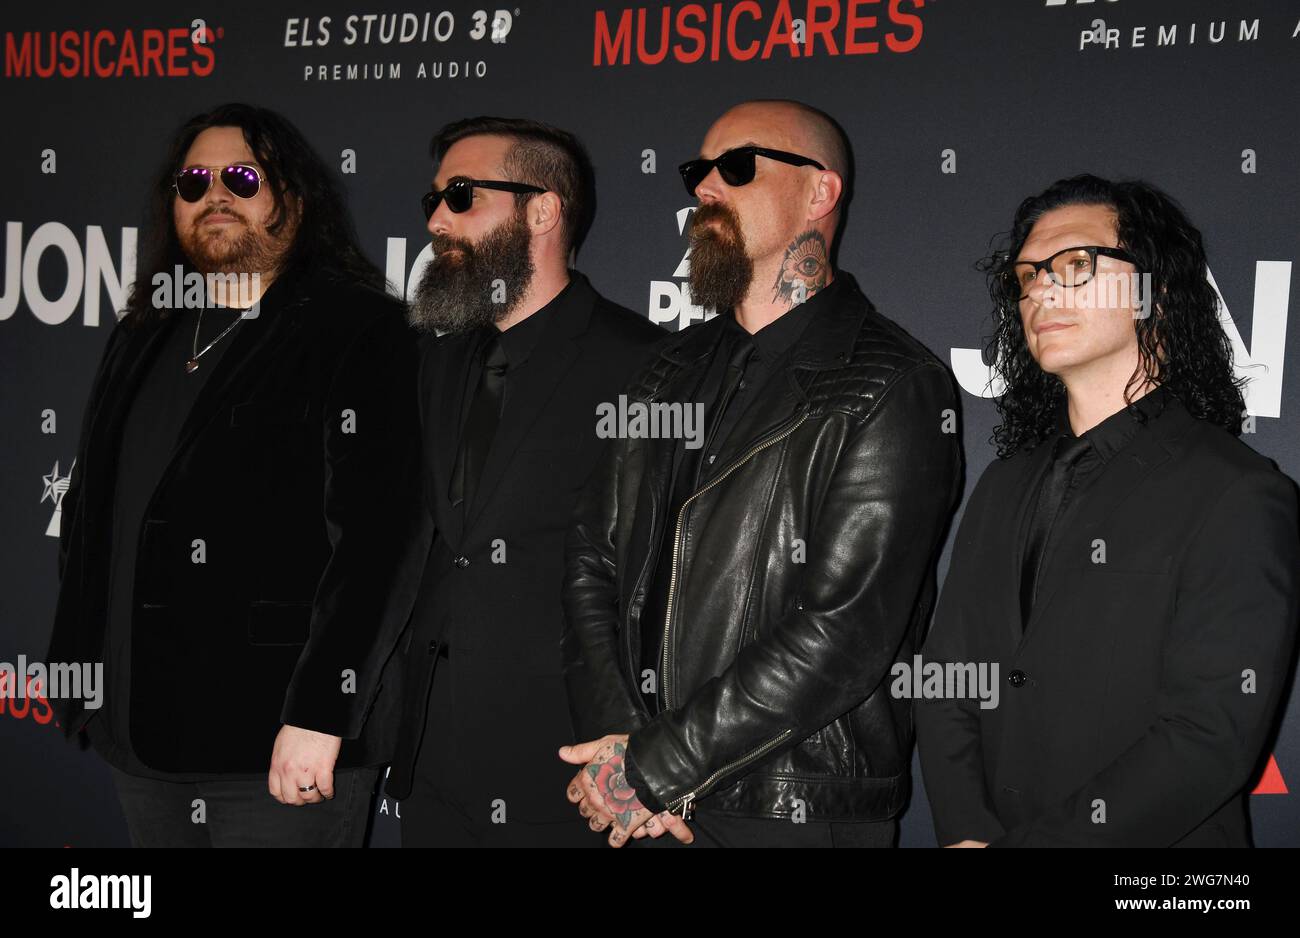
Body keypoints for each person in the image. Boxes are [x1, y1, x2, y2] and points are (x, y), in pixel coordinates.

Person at [560, 99, 962, 848]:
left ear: (820, 193)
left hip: (787, 804)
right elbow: (593, 555)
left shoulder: (889, 382)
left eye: (737, 166)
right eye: (696, 171)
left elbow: (844, 631)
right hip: (639, 797)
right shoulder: (666, 371)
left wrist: (657, 766)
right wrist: (623, 744)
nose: (705, 188)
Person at [47, 102, 423, 847]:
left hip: (276, 743)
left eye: (242, 177)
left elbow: (379, 543)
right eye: (193, 181)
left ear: (295, 199)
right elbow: (92, 511)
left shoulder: (356, 328)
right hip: (139, 737)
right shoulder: (143, 331)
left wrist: (323, 714)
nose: (213, 194)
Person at [915, 174, 1300, 847]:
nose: (1040, 290)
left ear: (1157, 292)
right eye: (1028, 274)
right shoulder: (1004, 482)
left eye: (1076, 265)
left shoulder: (1236, 493)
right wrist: (966, 833)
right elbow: (949, 678)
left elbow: (1207, 740)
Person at [384, 116, 664, 847]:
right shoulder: (438, 360)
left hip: (573, 780)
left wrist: (642, 754)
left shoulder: (647, 366)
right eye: (434, 201)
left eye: (463, 195)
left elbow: (660, 580)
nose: (437, 218)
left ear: (542, 210)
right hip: (430, 770)